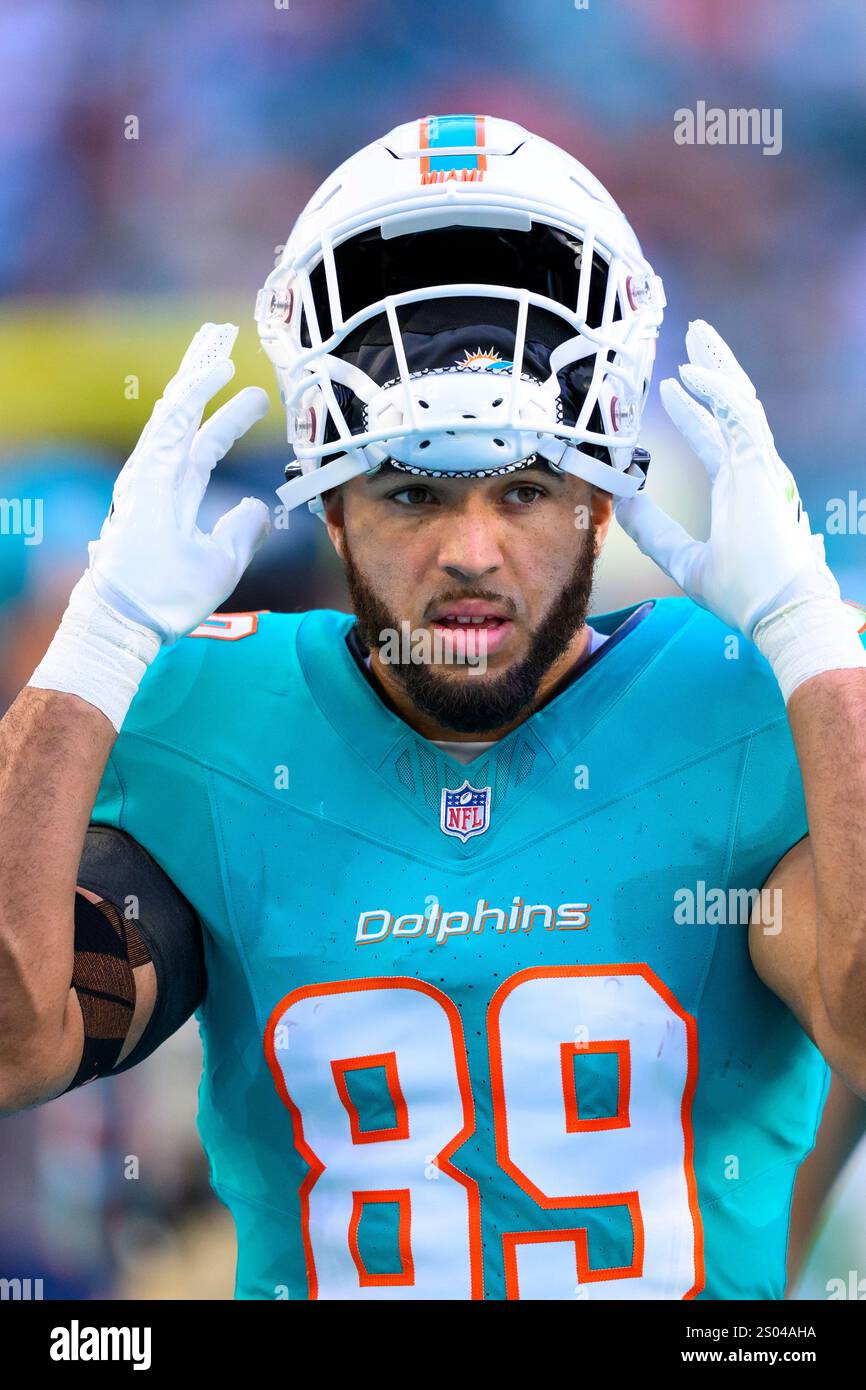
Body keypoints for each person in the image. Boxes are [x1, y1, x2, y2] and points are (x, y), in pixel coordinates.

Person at [1, 115, 865, 1301]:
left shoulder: (749, 707)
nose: (472, 550)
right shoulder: (209, 714)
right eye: (411, 490)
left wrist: (810, 633)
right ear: (333, 508)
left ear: (601, 504)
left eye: (523, 488)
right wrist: (93, 644)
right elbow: (11, 1035)